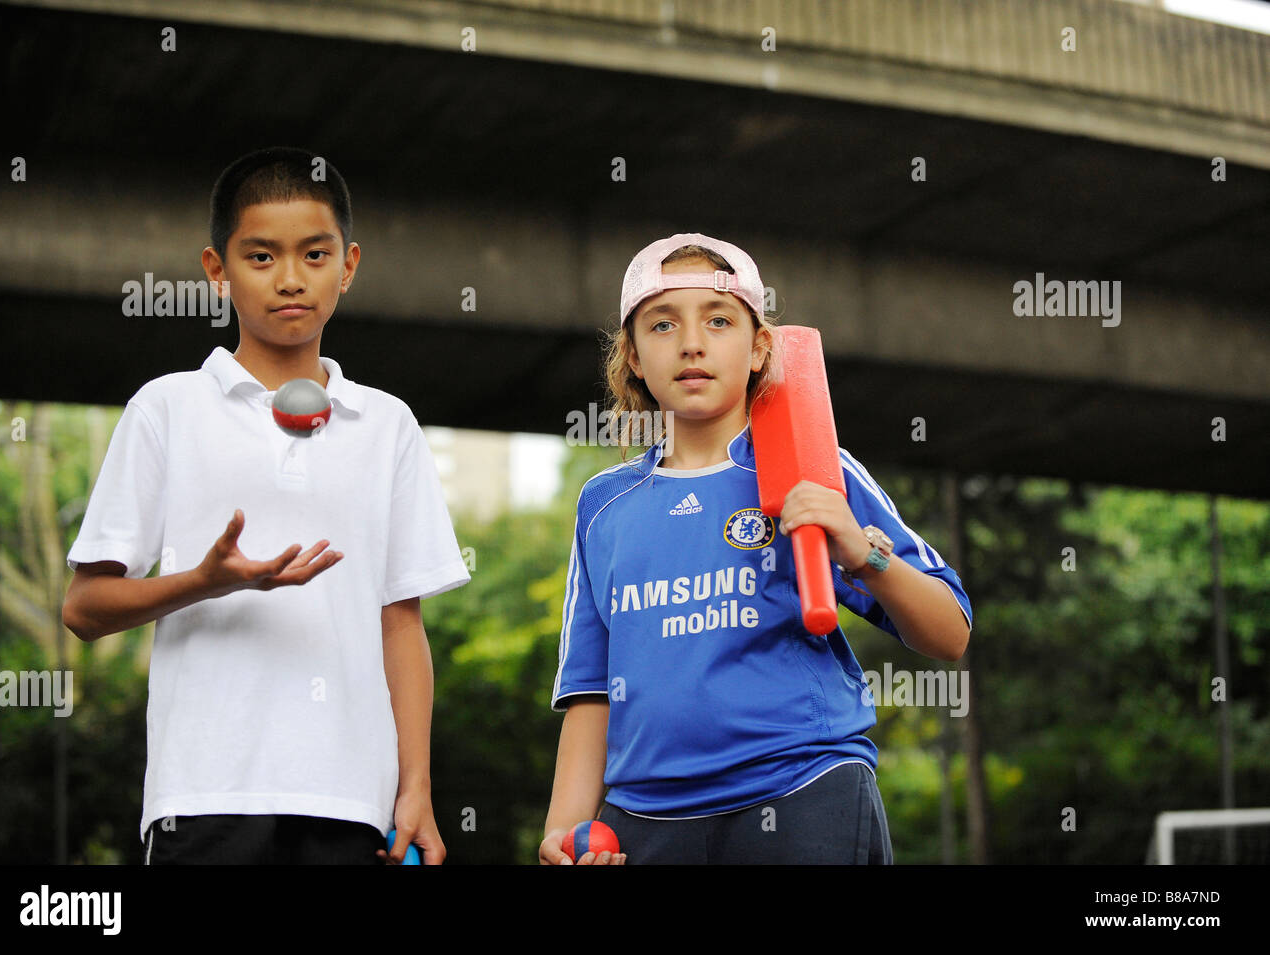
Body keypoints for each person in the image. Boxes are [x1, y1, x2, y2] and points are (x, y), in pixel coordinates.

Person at [62, 147, 469, 865]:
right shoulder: (166, 409)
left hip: (352, 805)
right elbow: (84, 606)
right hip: (204, 798)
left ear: (348, 265)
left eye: (315, 254)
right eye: (260, 256)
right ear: (217, 271)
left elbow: (400, 623)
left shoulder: (389, 424)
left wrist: (416, 787)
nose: (290, 279)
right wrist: (204, 580)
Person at [540, 233, 973, 864]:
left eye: (719, 321)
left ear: (758, 347)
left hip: (803, 793)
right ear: (632, 356)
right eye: (663, 325)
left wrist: (863, 554)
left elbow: (951, 634)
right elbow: (590, 692)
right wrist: (563, 832)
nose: (692, 342)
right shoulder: (604, 504)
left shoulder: (815, 470)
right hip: (643, 822)